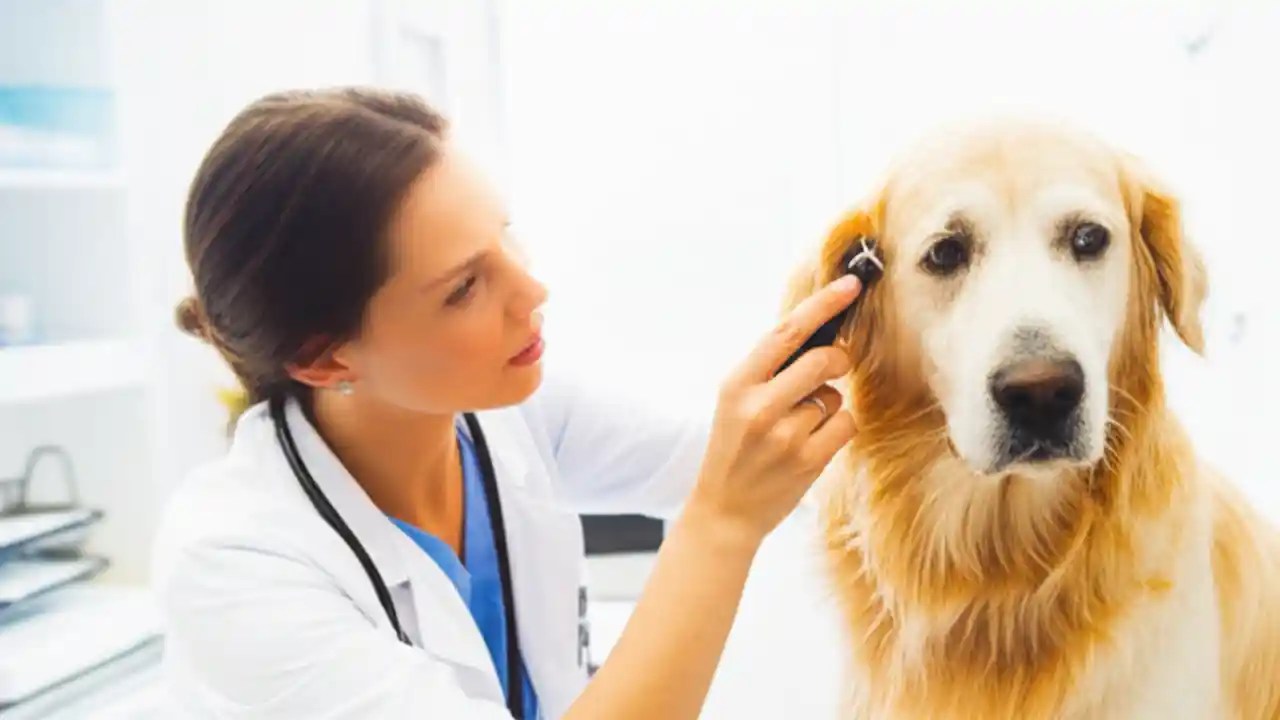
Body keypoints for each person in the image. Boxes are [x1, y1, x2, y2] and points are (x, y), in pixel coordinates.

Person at [154, 87, 860, 719]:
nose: (531, 291)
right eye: (463, 288)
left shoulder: (512, 413)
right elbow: (724, 494)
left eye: (505, 236)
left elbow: (733, 457)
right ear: (323, 356)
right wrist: (720, 527)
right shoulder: (234, 564)